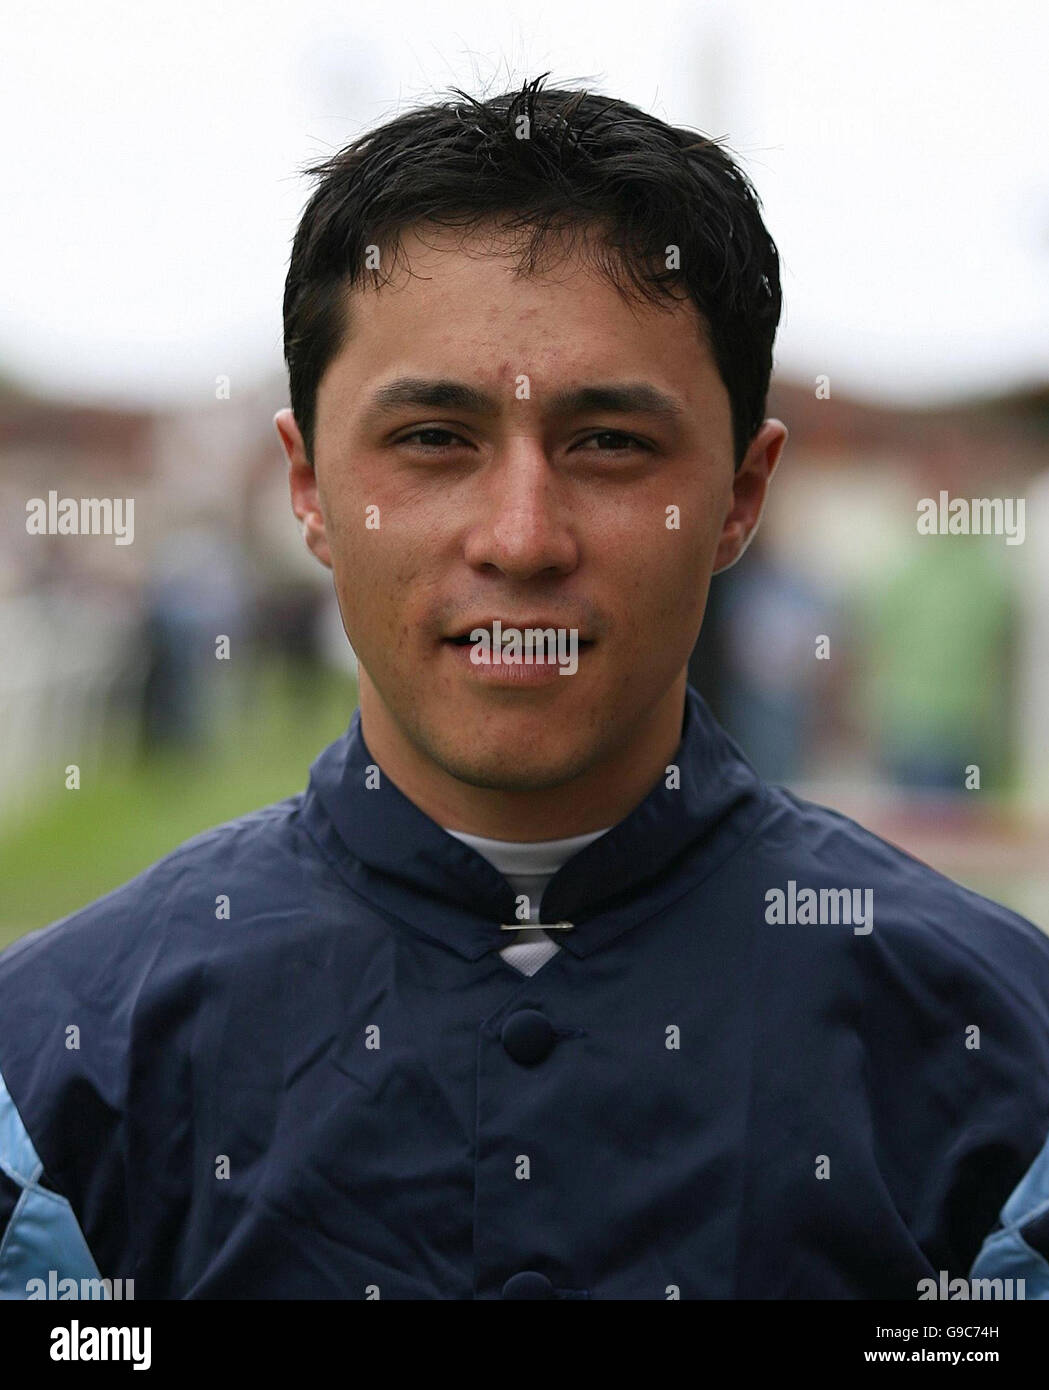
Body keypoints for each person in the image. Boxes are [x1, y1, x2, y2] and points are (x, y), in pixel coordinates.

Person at [1, 76, 1046, 1301]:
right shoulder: (49, 1078)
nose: (521, 536)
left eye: (607, 442)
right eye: (434, 440)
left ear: (740, 496)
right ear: (305, 489)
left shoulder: (1004, 1061)